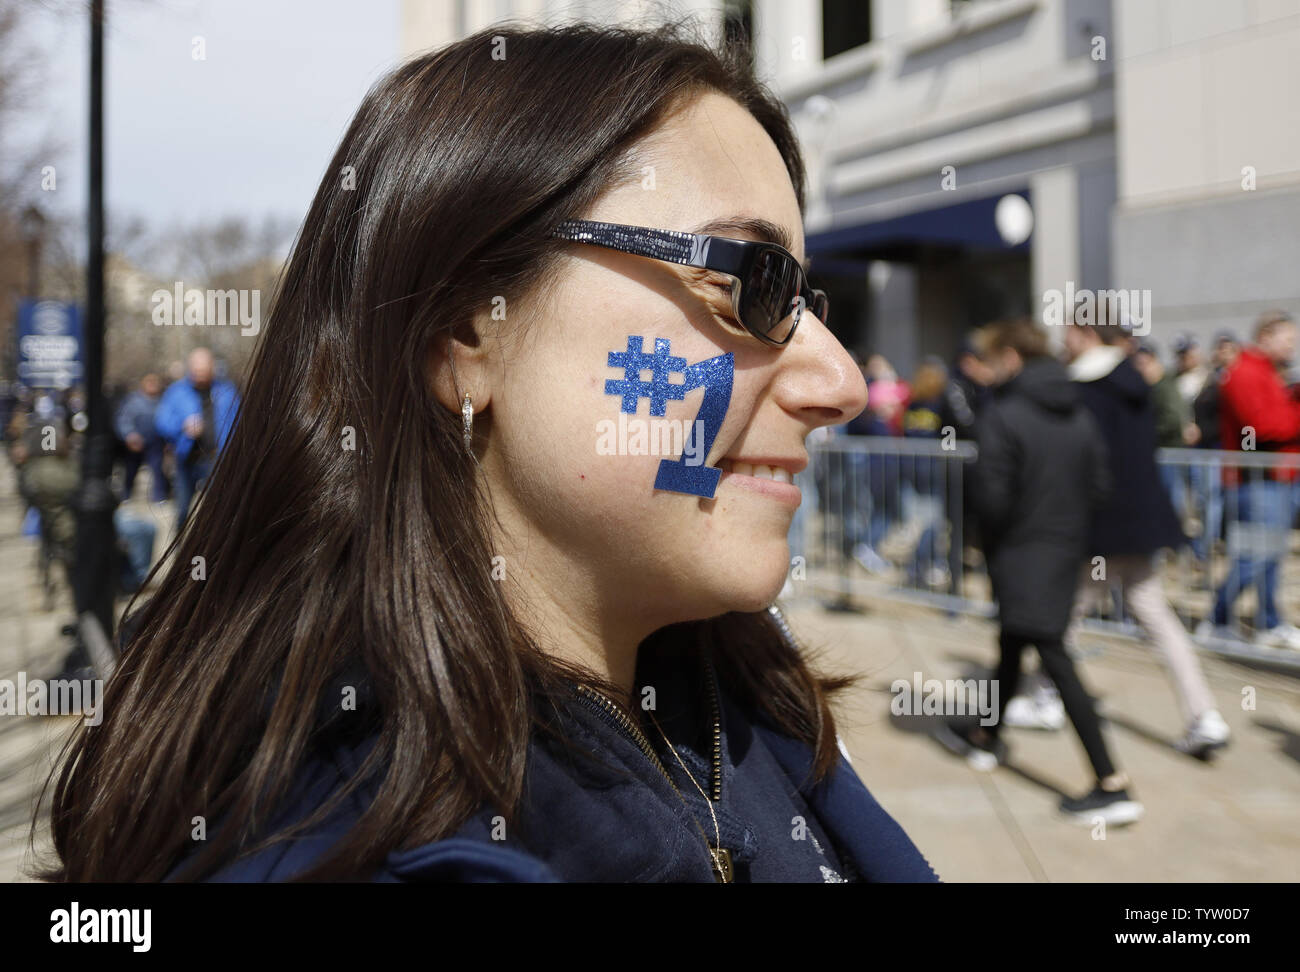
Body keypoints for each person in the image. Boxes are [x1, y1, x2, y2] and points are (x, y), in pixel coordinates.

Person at [40, 23, 938, 884]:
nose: (841, 384)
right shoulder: (330, 842)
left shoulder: (746, 698)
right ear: (469, 328)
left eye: (806, 298)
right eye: (751, 281)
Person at [942, 318, 1141, 825]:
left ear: (1010, 358)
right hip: (1064, 549)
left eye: (990, 360)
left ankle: (1111, 782)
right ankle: (987, 735)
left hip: (1020, 553)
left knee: (1053, 652)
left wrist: (997, 535)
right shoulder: (1077, 412)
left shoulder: (1004, 416)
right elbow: (1099, 484)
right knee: (1012, 645)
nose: (984, 369)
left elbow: (992, 499)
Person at [1063, 317, 1230, 759]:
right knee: (1155, 617)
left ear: (1087, 333)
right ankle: (1203, 714)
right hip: (1141, 523)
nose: (1064, 340)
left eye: (1070, 331)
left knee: (1064, 621)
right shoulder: (1137, 380)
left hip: (1104, 526)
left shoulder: (1087, 385)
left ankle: (1044, 695)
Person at [1203, 310, 1300, 649]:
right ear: (1266, 336)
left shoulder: (1268, 372)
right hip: (1254, 481)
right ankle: (1216, 618)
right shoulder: (1245, 372)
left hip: (1273, 477)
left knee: (1271, 555)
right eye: (1287, 339)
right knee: (1253, 555)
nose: (1292, 347)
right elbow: (1258, 427)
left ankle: (1269, 621)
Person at [154, 348, 240, 531]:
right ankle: (180, 549)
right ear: (189, 368)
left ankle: (214, 551)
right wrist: (182, 427)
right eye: (196, 368)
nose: (200, 373)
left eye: (204, 368)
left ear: (212, 368)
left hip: (216, 459)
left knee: (218, 510)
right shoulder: (176, 392)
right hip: (186, 459)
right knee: (183, 509)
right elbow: (162, 422)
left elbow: (239, 422)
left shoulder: (227, 391)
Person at [114, 373, 168, 502]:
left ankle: (158, 497)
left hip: (155, 442)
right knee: (131, 470)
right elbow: (123, 419)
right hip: (135, 442)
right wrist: (129, 435)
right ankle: (126, 495)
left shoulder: (163, 401)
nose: (152, 386)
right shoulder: (133, 401)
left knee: (157, 470)